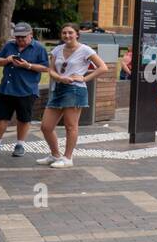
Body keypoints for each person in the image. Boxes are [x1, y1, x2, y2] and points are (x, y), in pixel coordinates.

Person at [38, 23, 106, 168]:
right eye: (64, 33)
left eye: (70, 33)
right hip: (58, 88)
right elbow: (51, 70)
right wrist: (60, 78)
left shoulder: (85, 50)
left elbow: (103, 67)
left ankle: (68, 158)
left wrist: (84, 78)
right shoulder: (57, 50)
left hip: (75, 89)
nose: (67, 36)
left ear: (77, 34)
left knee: (70, 126)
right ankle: (55, 155)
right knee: (46, 126)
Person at [0, 22, 49, 158]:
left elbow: (46, 68)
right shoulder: (9, 45)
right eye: (17, 37)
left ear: (31, 35)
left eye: (23, 37)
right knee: (0, 117)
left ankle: (20, 145)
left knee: (23, 119)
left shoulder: (39, 48)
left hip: (27, 90)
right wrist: (7, 60)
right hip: (6, 89)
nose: (20, 39)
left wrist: (27, 65)